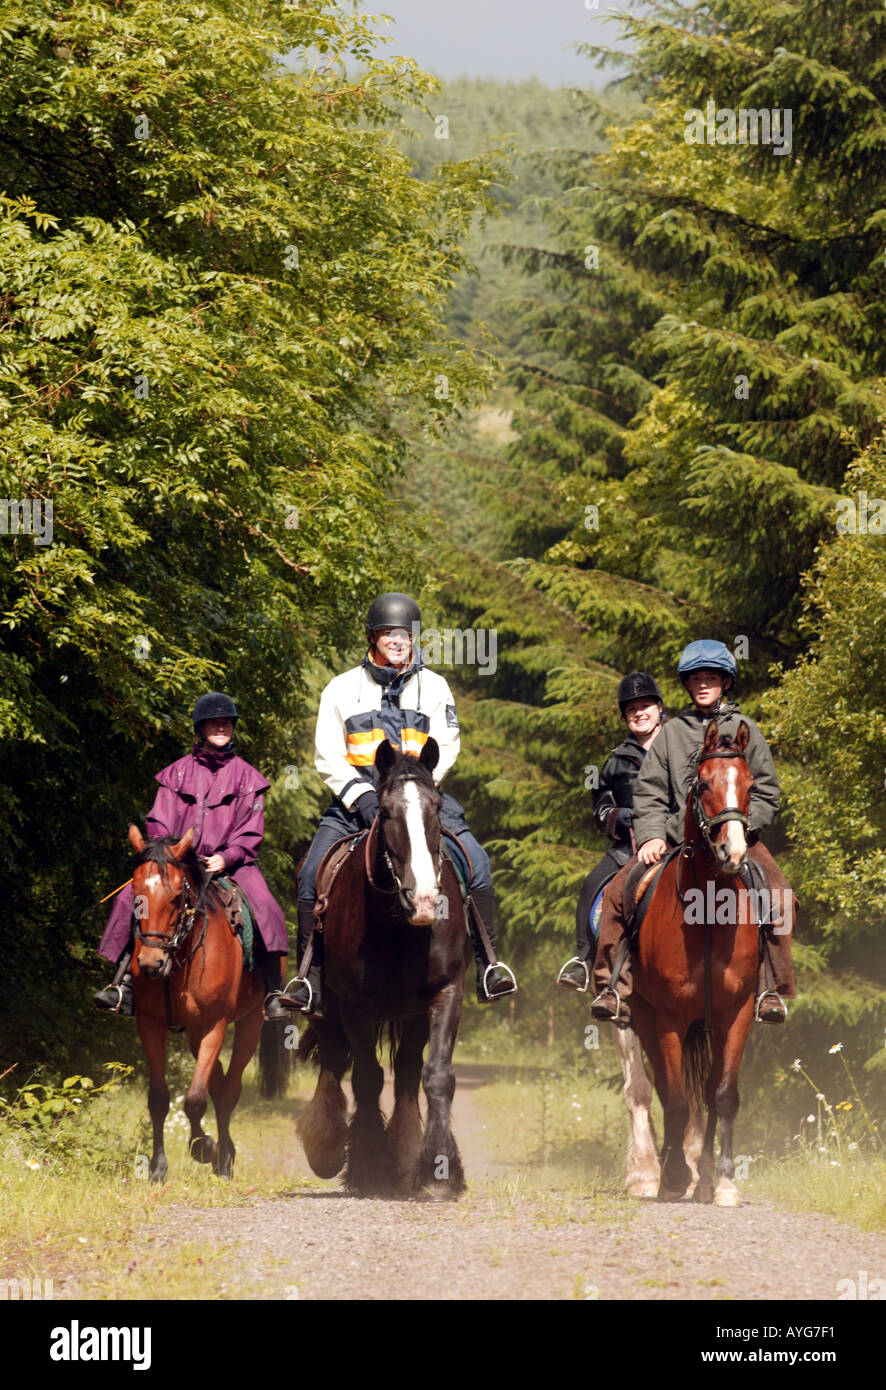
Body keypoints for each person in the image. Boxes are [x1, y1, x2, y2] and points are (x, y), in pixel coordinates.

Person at [264, 592, 517, 1021]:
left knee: (477, 862)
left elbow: (447, 745)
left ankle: (487, 964)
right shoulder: (341, 688)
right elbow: (327, 754)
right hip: (356, 801)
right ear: (373, 638)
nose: (398, 641)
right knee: (310, 874)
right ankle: (311, 981)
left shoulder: (434, 686)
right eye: (389, 634)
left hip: (419, 797)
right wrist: (364, 798)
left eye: (406, 635)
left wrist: (416, 793)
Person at [590, 640, 796, 1024]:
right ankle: (612, 987)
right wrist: (651, 834)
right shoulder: (672, 733)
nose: (703, 685)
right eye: (696, 679)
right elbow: (648, 790)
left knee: (780, 896)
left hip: (737, 837)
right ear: (686, 684)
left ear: (725, 682)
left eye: (711, 678)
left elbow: (767, 791)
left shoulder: (746, 728)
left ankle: (773, 989)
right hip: (674, 838)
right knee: (617, 892)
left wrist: (742, 827)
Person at [94, 693, 287, 1015]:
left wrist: (229, 856)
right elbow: (158, 822)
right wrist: (174, 856)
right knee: (132, 898)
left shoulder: (248, 777)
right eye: (214, 723)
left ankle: (273, 990)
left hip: (230, 865)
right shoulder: (175, 774)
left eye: (225, 723)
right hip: (177, 863)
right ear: (201, 728)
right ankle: (122, 982)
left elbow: (251, 830)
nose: (220, 727)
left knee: (267, 906)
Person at [557, 672, 664, 991]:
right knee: (591, 885)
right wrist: (623, 817)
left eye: (646, 705)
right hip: (629, 847)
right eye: (632, 709)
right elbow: (601, 807)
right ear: (624, 716)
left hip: (677, 840)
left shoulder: (680, 748)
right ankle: (583, 960)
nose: (639, 713)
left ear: (660, 709)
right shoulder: (615, 762)